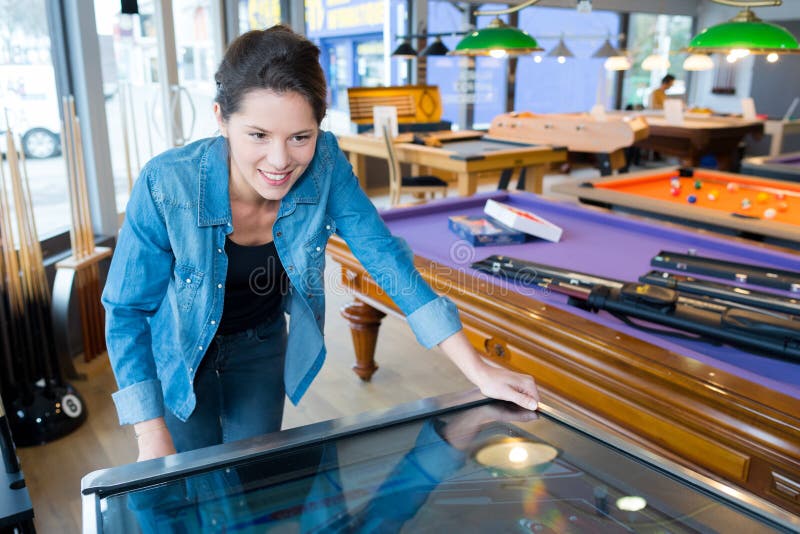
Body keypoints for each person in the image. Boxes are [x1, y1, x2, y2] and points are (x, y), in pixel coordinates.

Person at [102, 25, 539, 463]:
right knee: (186, 482)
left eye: (300, 137)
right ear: (221, 118)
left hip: (262, 347)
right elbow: (127, 311)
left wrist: (477, 370)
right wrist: (149, 431)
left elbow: (385, 258)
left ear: (318, 127)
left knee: (251, 477)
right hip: (179, 352)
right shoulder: (165, 182)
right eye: (258, 135)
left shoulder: (326, 163)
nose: (279, 161)